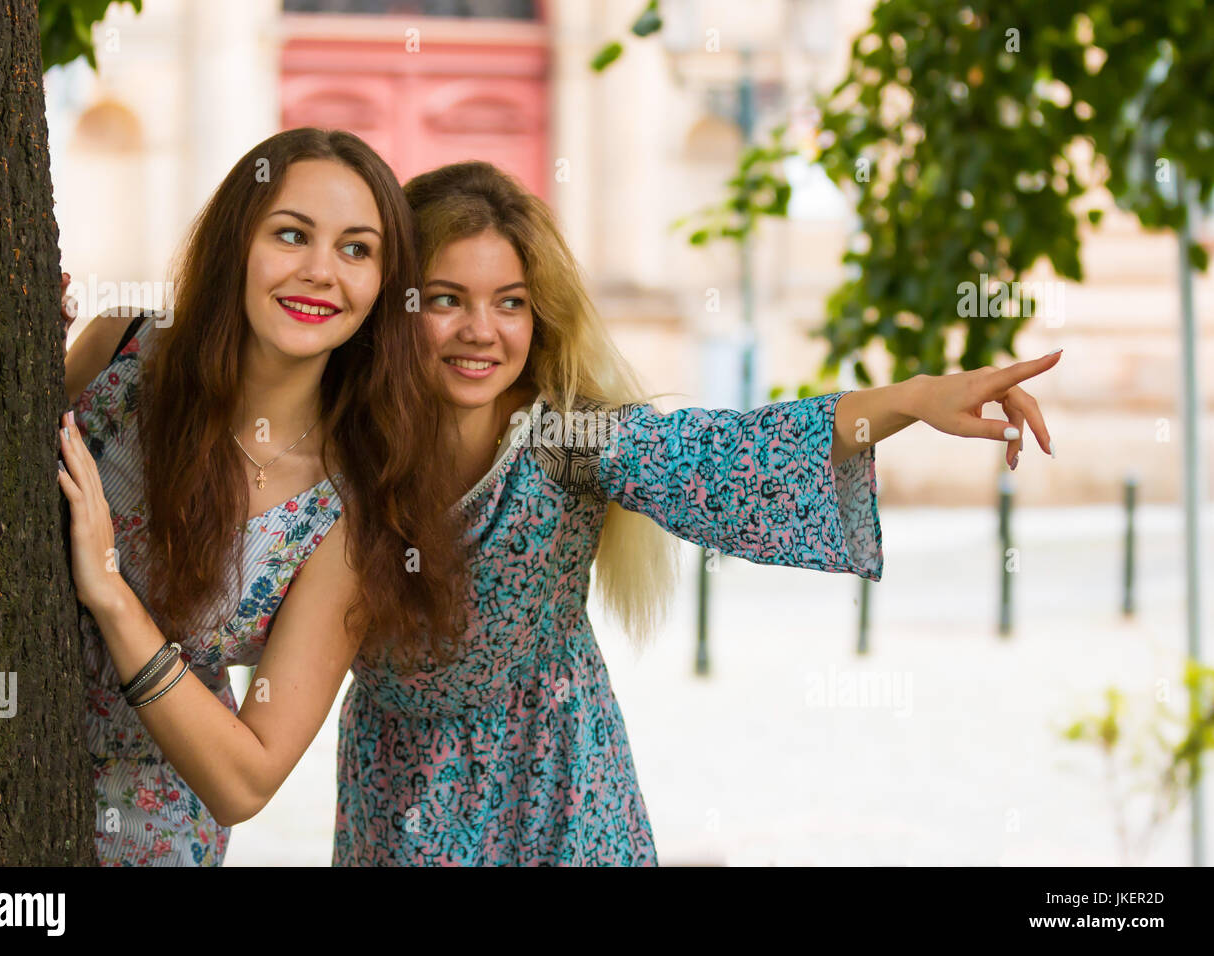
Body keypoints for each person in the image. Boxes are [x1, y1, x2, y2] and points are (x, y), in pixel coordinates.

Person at [333, 160, 1061, 866]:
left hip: (554, 775)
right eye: (445, 298)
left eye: (511, 301)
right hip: (396, 783)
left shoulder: (566, 440)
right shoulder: (341, 453)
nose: (481, 329)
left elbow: (730, 453)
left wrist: (912, 398)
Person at [58, 127, 465, 865]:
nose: (320, 272)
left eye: (356, 250)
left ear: (382, 286)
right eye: (291, 234)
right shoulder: (124, 346)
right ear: (237, 242)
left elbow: (245, 781)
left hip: (145, 826)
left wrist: (110, 593)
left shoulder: (352, 513)